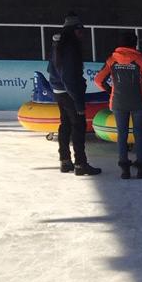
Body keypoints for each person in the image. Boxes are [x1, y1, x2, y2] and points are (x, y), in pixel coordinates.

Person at [95, 32, 142, 179]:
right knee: (139, 134)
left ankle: (124, 169)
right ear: (134, 44)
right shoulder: (140, 60)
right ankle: (141, 169)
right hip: (138, 102)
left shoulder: (111, 60)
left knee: (122, 135)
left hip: (118, 102)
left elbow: (98, 80)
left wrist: (110, 91)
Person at [48, 15, 101, 176]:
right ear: (73, 31)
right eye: (79, 30)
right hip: (69, 93)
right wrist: (78, 102)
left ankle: (65, 161)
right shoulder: (70, 48)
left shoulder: (58, 44)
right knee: (78, 126)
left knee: (65, 124)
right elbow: (69, 77)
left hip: (59, 92)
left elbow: (51, 69)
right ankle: (80, 163)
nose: (82, 34)